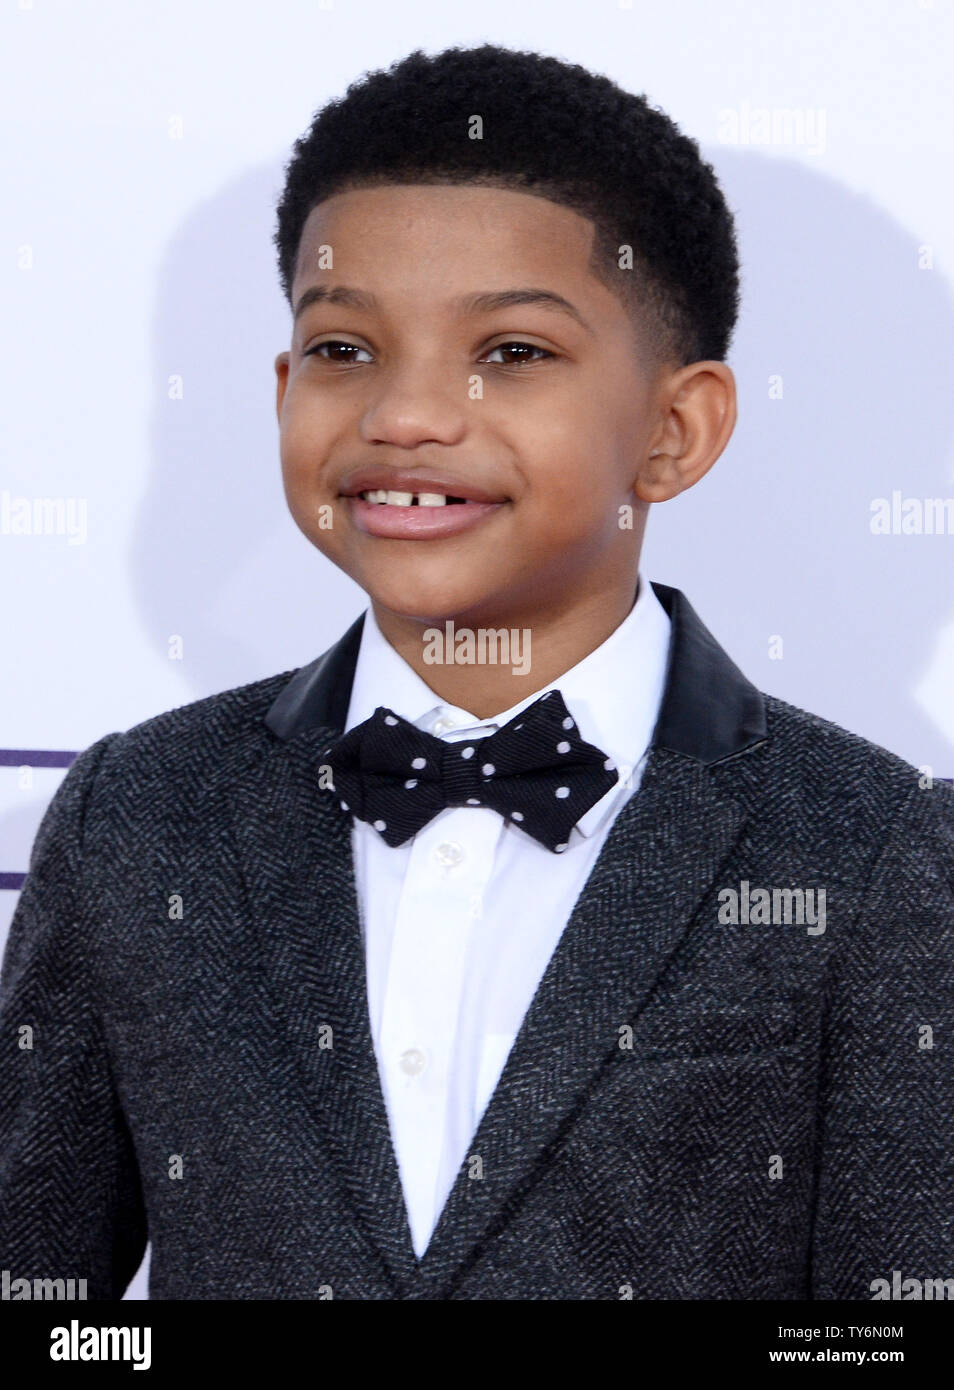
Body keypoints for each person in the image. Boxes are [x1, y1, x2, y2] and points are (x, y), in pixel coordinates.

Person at [1, 44, 952, 1301]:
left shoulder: (869, 846)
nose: (404, 415)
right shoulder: (140, 811)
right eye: (345, 350)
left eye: (511, 351)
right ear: (283, 385)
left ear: (676, 431)